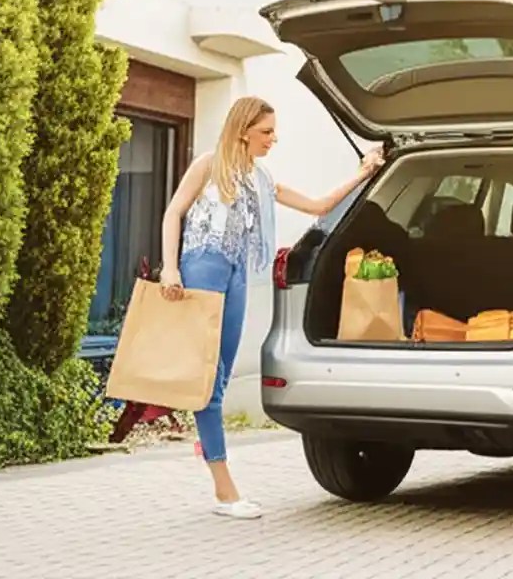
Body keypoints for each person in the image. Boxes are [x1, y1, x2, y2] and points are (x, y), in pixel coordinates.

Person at [159, 96, 385, 520]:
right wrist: (170, 268)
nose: (273, 139)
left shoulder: (260, 179)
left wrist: (363, 172)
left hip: (237, 273)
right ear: (242, 130)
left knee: (218, 379)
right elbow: (173, 213)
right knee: (207, 383)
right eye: (266, 131)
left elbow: (319, 206)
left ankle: (213, 458)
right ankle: (225, 490)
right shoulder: (208, 165)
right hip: (202, 266)